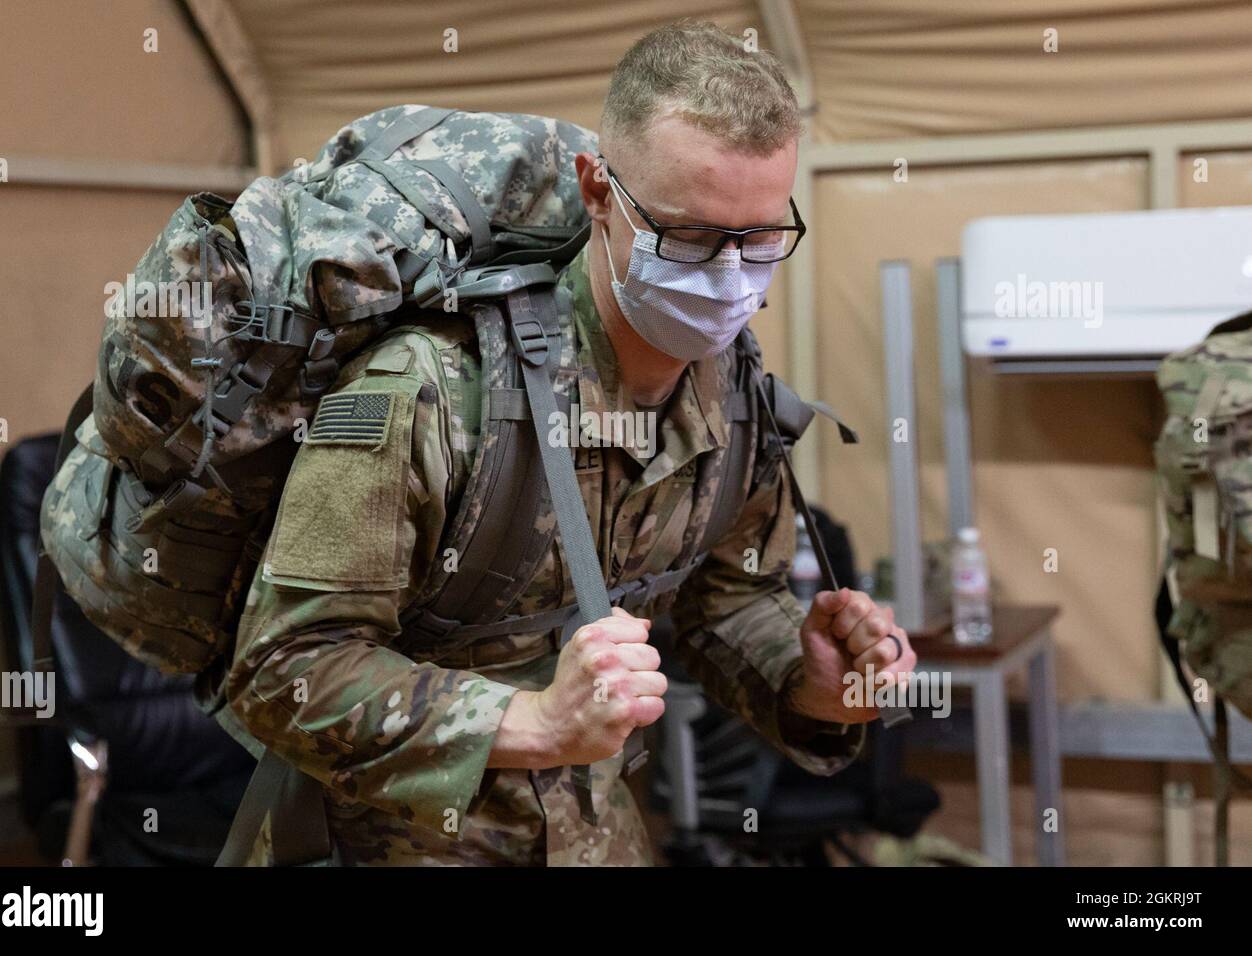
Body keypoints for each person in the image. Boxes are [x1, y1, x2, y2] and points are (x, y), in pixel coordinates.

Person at [220, 18, 917, 866]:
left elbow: (726, 601)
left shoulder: (731, 389)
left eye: (762, 237)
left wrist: (810, 684)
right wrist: (536, 723)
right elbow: (281, 669)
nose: (730, 278)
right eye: (690, 237)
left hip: (596, 836)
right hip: (378, 842)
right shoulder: (433, 391)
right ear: (598, 191)